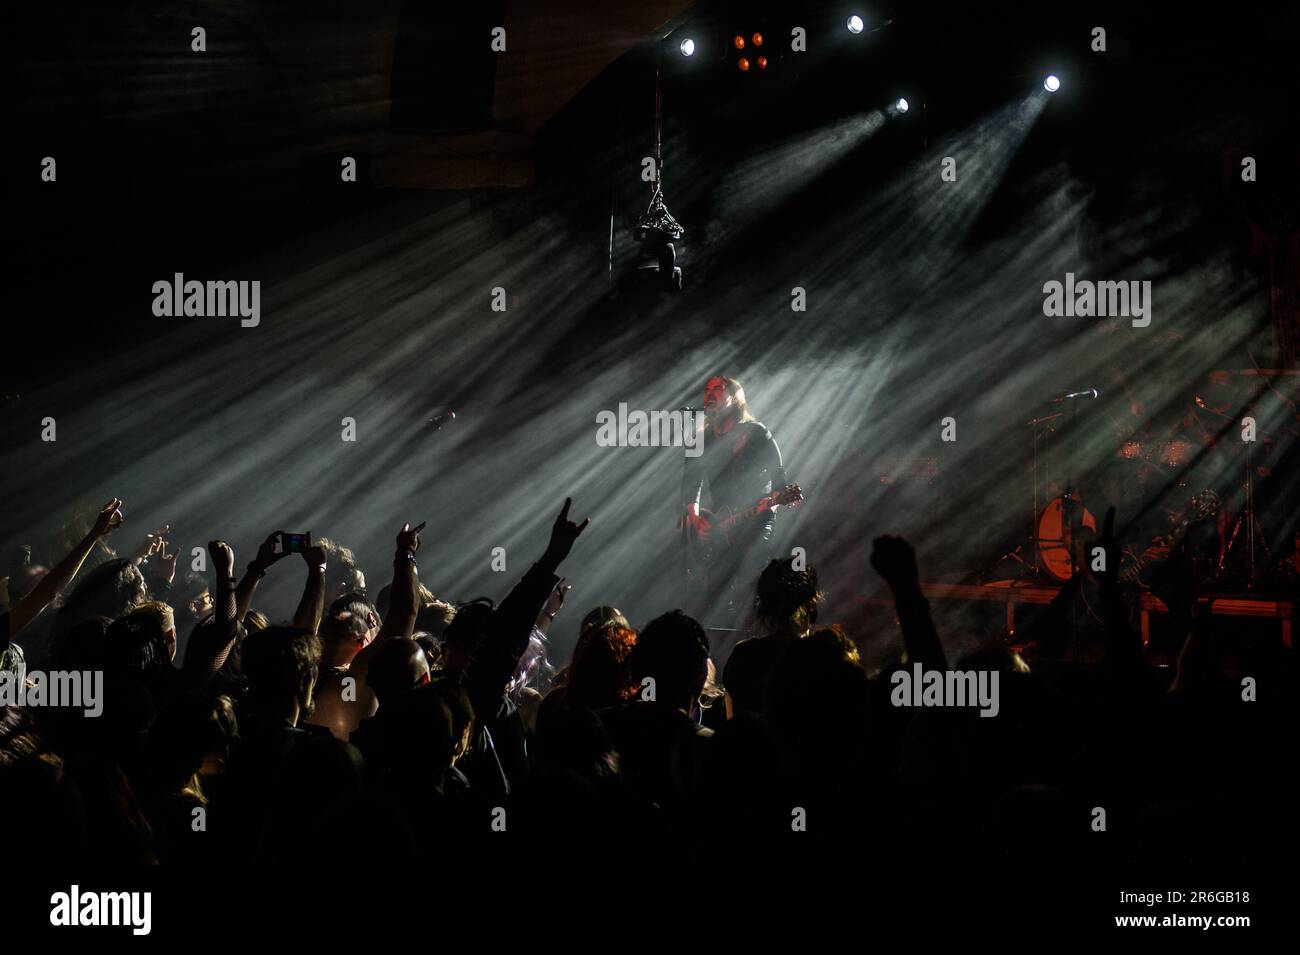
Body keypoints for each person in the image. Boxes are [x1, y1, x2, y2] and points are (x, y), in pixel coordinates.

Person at [680, 375, 790, 658]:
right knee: (714, 592)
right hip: (719, 526)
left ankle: (758, 654)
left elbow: (781, 482)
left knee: (752, 586)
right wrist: (697, 519)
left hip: (755, 521)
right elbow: (689, 489)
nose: (710, 394)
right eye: (706, 390)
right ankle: (712, 660)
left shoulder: (756, 432)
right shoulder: (699, 440)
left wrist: (771, 503)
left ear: (735, 397)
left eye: (718, 388)